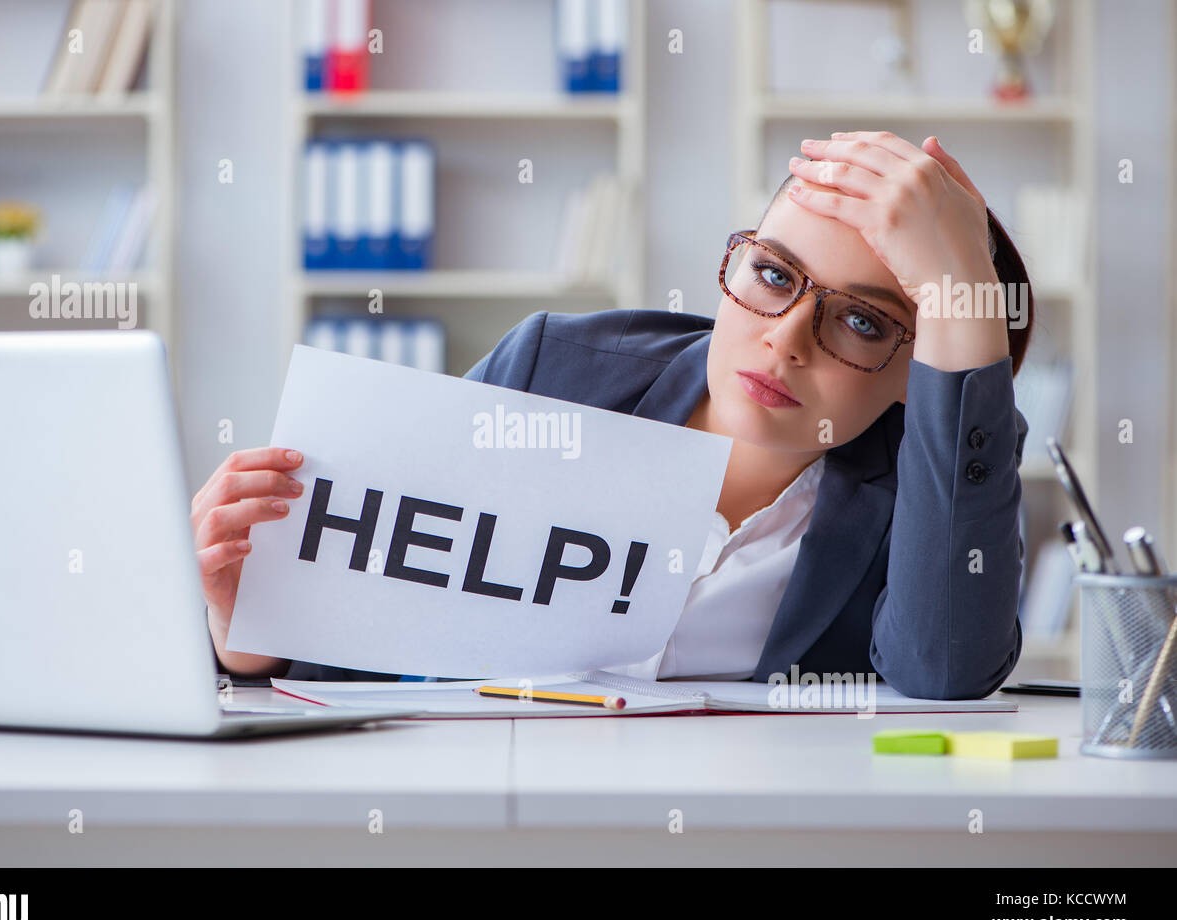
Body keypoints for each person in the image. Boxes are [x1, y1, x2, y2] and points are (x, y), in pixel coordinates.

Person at [194, 130, 1033, 699]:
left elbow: (944, 671)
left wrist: (962, 291)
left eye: (862, 321)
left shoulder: (924, 499)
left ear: (914, 372)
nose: (784, 343)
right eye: (775, 275)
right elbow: (370, 654)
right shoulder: (552, 372)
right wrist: (251, 625)